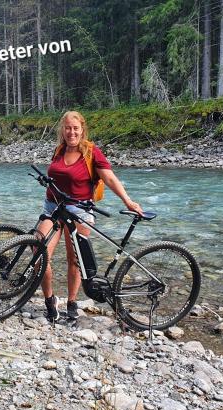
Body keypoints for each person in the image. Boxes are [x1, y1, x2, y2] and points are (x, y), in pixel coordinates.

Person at [37, 111, 143, 322]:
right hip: (53, 207)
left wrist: (128, 201)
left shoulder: (91, 152)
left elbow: (110, 179)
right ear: (62, 130)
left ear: (82, 129)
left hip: (79, 210)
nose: (71, 132)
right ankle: (50, 300)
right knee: (39, 254)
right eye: (68, 128)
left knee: (75, 259)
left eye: (75, 128)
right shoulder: (59, 150)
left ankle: (72, 302)